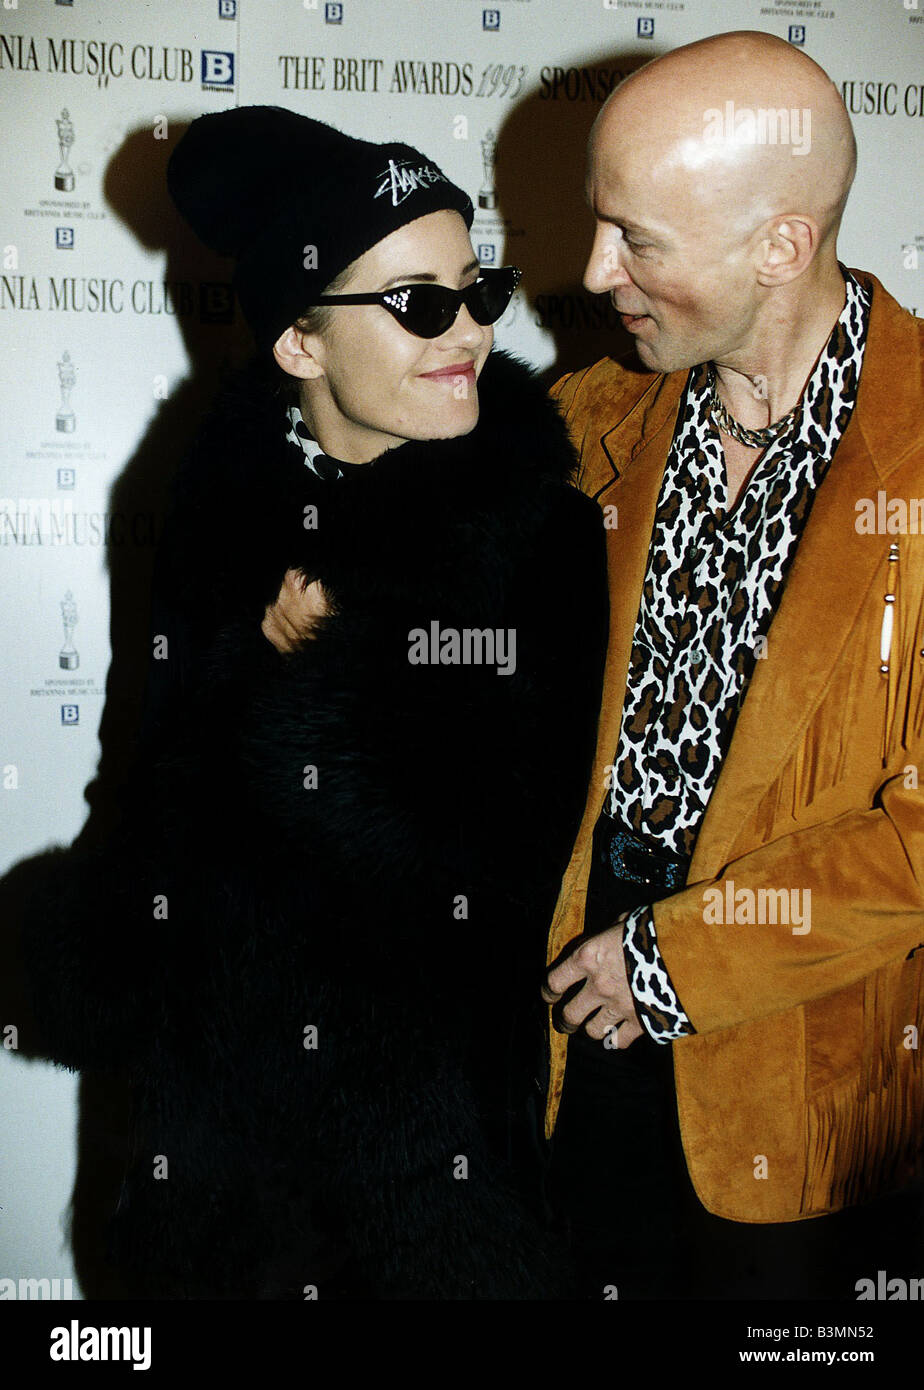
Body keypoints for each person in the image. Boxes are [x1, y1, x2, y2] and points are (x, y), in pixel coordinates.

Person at [8, 107, 608, 1299]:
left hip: (421, 1183)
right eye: (419, 304)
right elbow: (149, 790)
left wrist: (332, 684)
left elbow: (503, 861)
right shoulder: (206, 505)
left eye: (476, 290)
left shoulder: (539, 530)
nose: (473, 333)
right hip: (210, 1169)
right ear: (299, 343)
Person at [540, 31, 924, 1299]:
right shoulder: (596, 412)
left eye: (636, 239)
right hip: (569, 1051)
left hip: (801, 1097)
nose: (596, 272)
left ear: (781, 245)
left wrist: (673, 963)